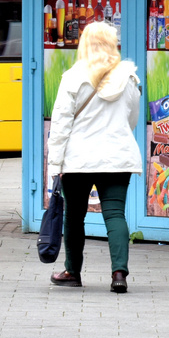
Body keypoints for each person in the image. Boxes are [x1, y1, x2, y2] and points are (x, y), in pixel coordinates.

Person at [46, 20, 143, 293]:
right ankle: (119, 273)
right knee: (115, 214)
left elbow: (61, 125)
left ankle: (72, 271)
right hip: (117, 157)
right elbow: (132, 120)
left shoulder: (73, 77)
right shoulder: (128, 79)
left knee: (74, 216)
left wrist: (55, 164)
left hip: (79, 159)